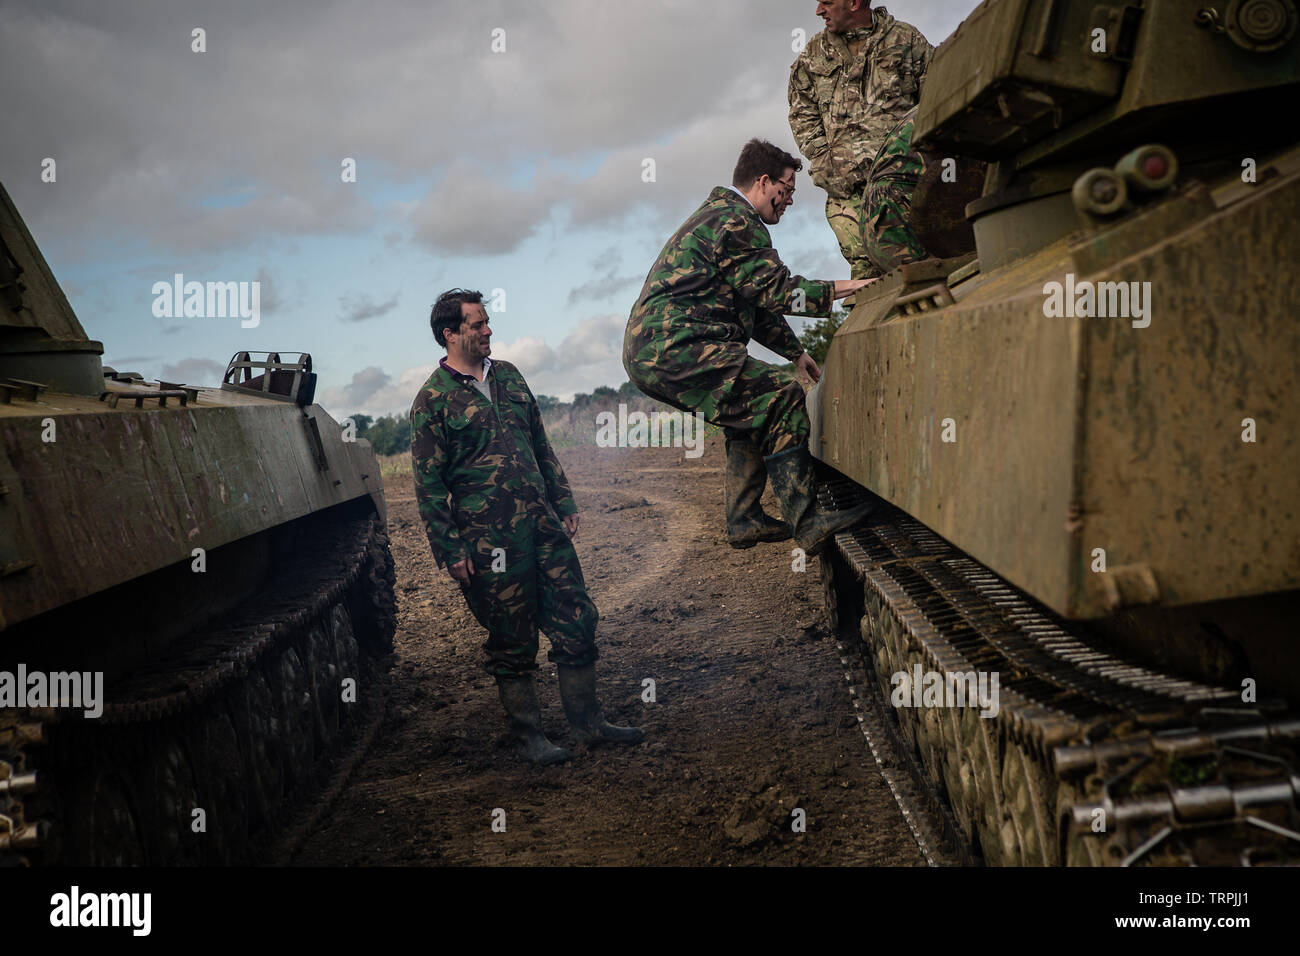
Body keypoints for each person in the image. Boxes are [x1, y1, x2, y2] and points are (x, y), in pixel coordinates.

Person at [410, 288, 643, 765]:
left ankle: (589, 724)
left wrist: (563, 499)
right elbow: (428, 487)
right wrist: (449, 550)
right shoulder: (432, 401)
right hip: (490, 542)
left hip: (543, 526)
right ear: (450, 334)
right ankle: (529, 736)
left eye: (486, 321)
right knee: (511, 639)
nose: (488, 329)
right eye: (476, 324)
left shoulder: (511, 377)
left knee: (577, 618)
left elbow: (540, 444)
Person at [623, 139, 875, 557]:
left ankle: (744, 519)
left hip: (658, 350)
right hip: (676, 345)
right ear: (763, 181)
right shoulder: (737, 221)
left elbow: (757, 303)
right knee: (781, 394)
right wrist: (845, 287)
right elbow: (778, 291)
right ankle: (809, 521)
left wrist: (796, 353)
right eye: (788, 189)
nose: (790, 201)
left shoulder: (720, 216)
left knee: (750, 412)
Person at [788, 1, 933, 280]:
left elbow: (932, 102)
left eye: (827, 2)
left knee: (924, 271)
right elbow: (801, 112)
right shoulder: (812, 55)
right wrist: (824, 158)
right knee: (868, 287)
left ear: (854, 3)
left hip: (905, 191)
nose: (819, 11)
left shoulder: (906, 40)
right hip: (848, 199)